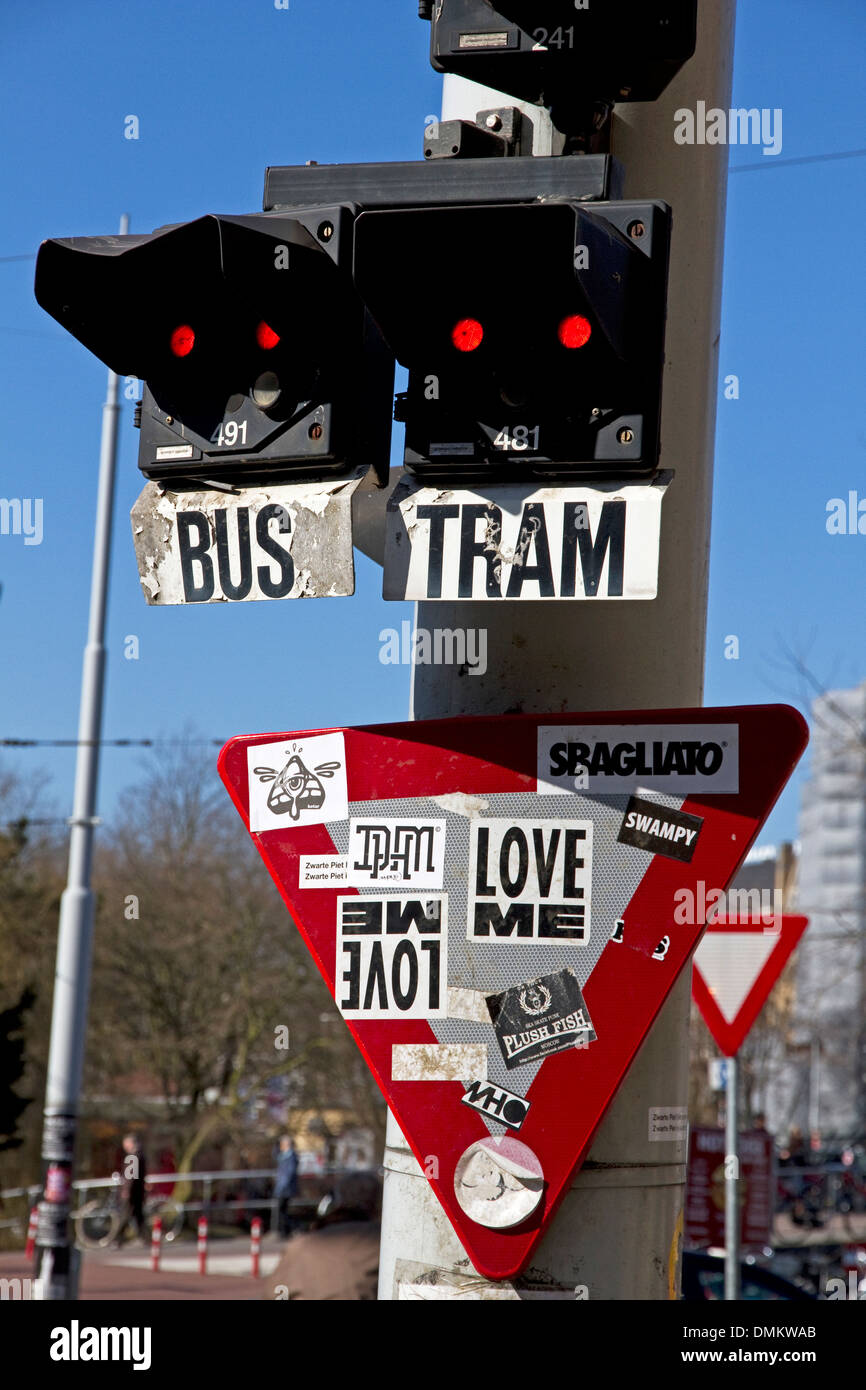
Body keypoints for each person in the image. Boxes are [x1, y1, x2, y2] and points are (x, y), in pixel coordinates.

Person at [263, 1171, 381, 1300]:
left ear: (337, 1202)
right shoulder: (383, 1244)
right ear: (378, 1205)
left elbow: (273, 1293)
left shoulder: (300, 1246)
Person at [114, 1133, 147, 1246]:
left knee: (125, 1214)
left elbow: (129, 1177)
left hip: (131, 1192)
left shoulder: (132, 1157)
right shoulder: (141, 1156)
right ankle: (144, 1237)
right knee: (138, 1215)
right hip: (139, 1190)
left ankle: (118, 1239)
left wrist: (126, 1190)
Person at [274, 1135, 299, 1238]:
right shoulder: (283, 1156)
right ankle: (286, 1230)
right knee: (282, 1210)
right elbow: (274, 1154)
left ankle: (289, 1230)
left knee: (283, 1210)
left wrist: (282, 1187)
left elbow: (288, 1173)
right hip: (283, 1188)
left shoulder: (290, 1157)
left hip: (285, 1188)